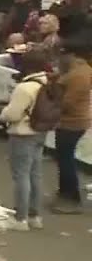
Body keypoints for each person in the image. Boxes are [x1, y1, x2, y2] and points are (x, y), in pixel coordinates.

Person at [0, 50, 51, 230]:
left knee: (21, 175)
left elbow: (12, 114)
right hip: (40, 132)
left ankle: (20, 218)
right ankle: (34, 215)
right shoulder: (48, 82)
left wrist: (1, 113)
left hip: (22, 133)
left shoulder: (25, 87)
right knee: (36, 174)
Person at [52, 35, 91, 213]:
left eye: (62, 54)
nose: (60, 58)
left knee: (66, 160)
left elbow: (67, 102)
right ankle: (64, 192)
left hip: (72, 123)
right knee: (63, 159)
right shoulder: (78, 71)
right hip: (72, 121)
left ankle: (72, 198)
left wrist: (55, 93)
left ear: (72, 55)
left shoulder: (78, 75)